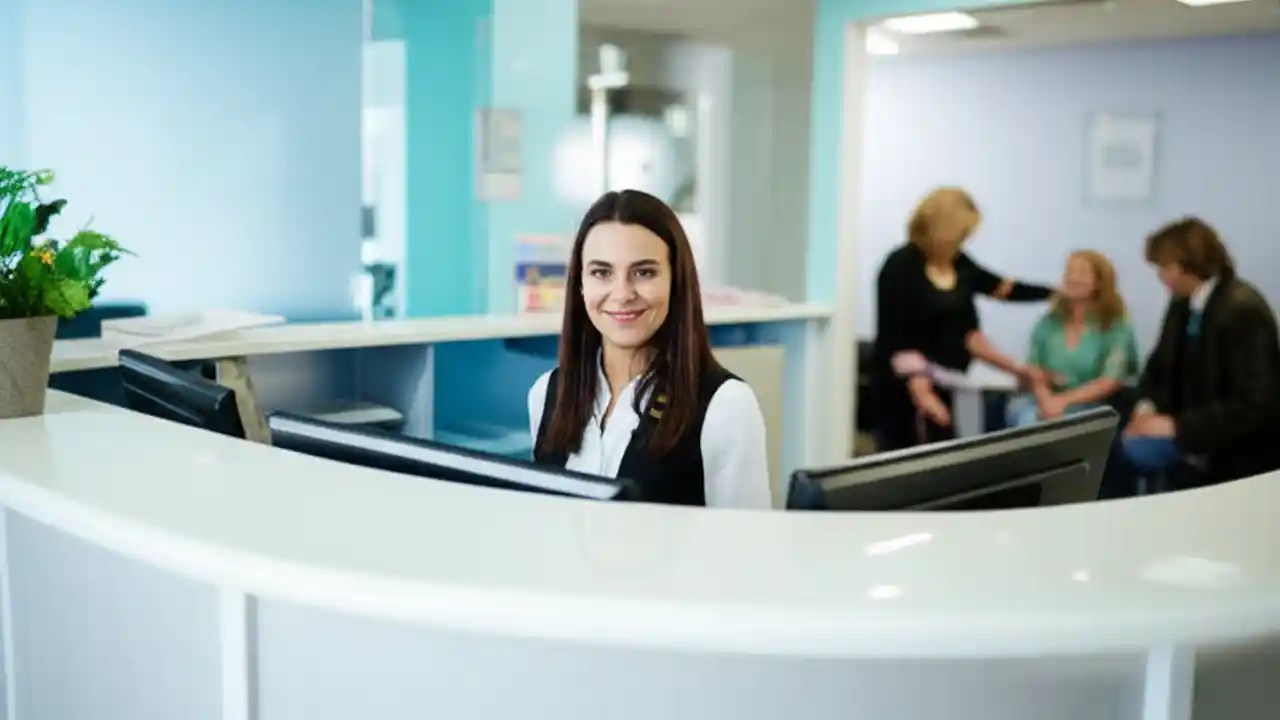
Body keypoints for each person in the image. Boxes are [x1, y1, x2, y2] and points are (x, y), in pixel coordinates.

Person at [528, 189, 771, 509]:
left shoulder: (726, 406)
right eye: (602, 272)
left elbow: (745, 549)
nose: (622, 293)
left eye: (644, 272)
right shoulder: (547, 393)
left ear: (676, 281)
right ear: (580, 284)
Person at [1099, 217, 1280, 499]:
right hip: (1183, 420)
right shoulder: (1183, 303)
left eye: (1164, 267)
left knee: (1117, 453)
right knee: (1105, 427)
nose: (1160, 276)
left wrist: (1175, 426)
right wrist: (1145, 407)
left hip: (1228, 442)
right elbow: (1157, 367)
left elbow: (1255, 404)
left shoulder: (1243, 310)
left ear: (1190, 263)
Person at [872, 187, 1054, 451]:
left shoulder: (959, 264)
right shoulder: (901, 266)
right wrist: (921, 389)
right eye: (962, 233)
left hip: (949, 383)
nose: (966, 240)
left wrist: (1054, 294)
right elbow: (897, 338)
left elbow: (989, 306)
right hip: (903, 392)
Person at [1006, 251, 1139, 427]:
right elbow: (1034, 370)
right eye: (1069, 272)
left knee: (1036, 422)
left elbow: (1109, 381)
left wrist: (1062, 401)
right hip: (1044, 398)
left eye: (1082, 273)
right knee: (1021, 412)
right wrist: (1046, 398)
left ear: (1099, 282)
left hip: (1092, 403)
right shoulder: (1049, 322)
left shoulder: (1115, 327)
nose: (1072, 278)